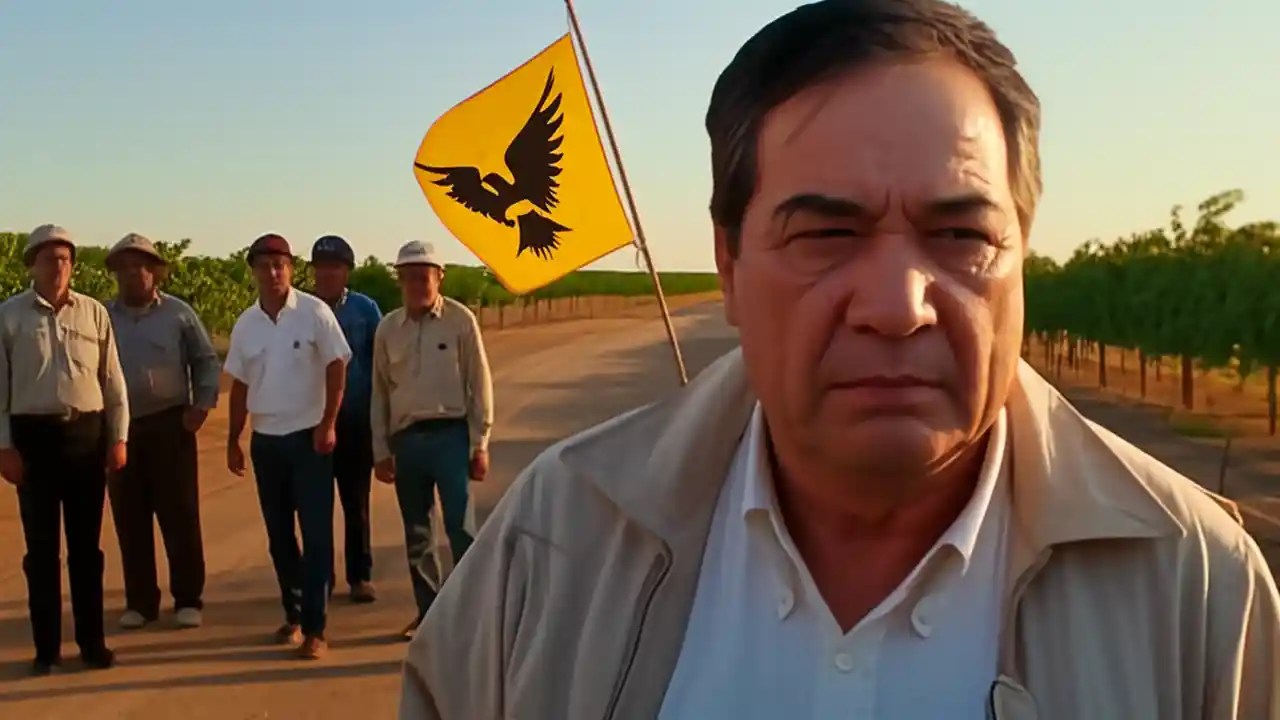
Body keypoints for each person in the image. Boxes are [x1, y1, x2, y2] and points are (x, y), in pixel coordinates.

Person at [399, 2, 1280, 718]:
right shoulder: (560, 545)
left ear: (1022, 257)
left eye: (961, 235)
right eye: (826, 233)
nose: (898, 306)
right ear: (731, 266)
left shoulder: (1198, 589)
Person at [0, 224, 129, 675]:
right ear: (31, 264)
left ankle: (92, 644)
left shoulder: (93, 313)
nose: (58, 266)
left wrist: (118, 437)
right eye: (49, 258)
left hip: (84, 439)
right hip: (33, 442)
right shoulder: (9, 316)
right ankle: (46, 650)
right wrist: (5, 448)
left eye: (65, 259)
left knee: (86, 550)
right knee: (41, 552)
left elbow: (113, 382)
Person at [224, 233, 351, 661]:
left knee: (316, 535)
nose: (273, 272)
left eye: (281, 264)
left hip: (310, 438)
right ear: (254, 272)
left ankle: (316, 627)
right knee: (280, 536)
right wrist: (233, 439)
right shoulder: (246, 324)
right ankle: (293, 614)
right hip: (267, 442)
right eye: (265, 265)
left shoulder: (314, 313)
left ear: (291, 269)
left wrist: (329, 423)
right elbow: (239, 385)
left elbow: (337, 365)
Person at [371, 240, 492, 641]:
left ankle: (471, 616)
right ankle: (431, 615)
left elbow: (479, 383)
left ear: (439, 277)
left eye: (425, 275)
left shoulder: (460, 321)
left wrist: (481, 443)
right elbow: (380, 393)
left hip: (451, 437)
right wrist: (381, 450)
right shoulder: (388, 328)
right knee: (417, 534)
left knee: (461, 528)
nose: (417, 283)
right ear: (400, 280)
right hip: (407, 442)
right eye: (408, 276)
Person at [105, 233, 220, 631]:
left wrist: (201, 405)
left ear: (155, 271)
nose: (133, 272)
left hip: (171, 425)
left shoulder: (179, 314)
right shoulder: (103, 317)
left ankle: (188, 598)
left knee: (180, 514)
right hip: (119, 431)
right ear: (116, 273)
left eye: (141, 265)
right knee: (129, 517)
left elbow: (205, 361)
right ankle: (140, 601)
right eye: (125, 266)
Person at [310, 235, 382, 604]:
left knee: (356, 503)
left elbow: (379, 365)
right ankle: (322, 578)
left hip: (355, 422)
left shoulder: (366, 311)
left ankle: (360, 576)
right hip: (311, 422)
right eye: (321, 267)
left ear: (347, 271)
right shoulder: (301, 310)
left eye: (334, 267)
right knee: (316, 505)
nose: (327, 274)